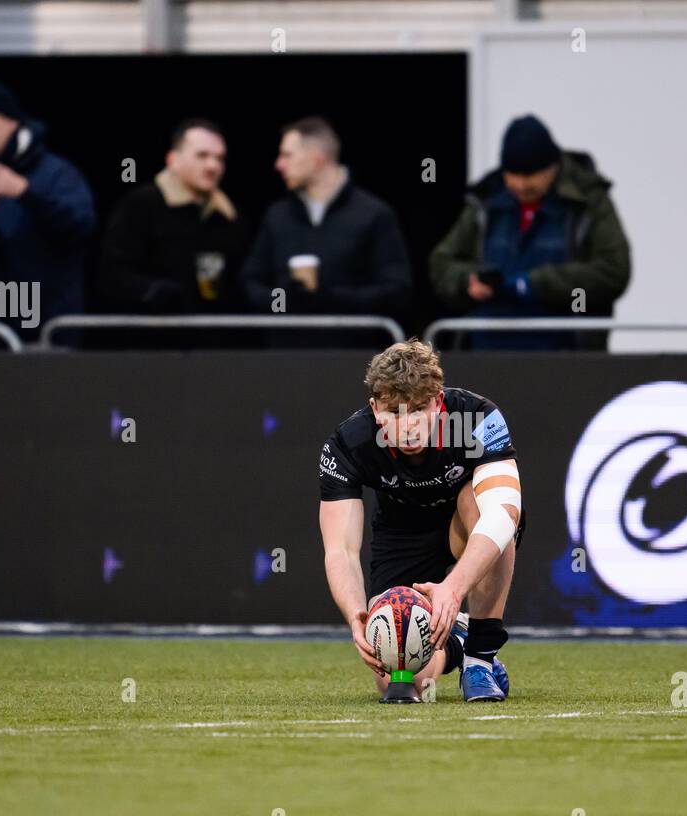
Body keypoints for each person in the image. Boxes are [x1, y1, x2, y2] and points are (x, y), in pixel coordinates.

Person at [318, 341, 522, 703]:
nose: (408, 426)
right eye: (394, 413)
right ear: (374, 409)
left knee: (481, 503)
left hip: (464, 525)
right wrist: (355, 617)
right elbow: (341, 550)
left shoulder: (476, 417)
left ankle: (480, 656)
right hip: (402, 533)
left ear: (438, 402)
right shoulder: (349, 444)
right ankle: (456, 640)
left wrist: (453, 588)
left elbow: (504, 512)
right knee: (398, 676)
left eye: (418, 410)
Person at [428, 114, 631, 349]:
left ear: (553, 167)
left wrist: (537, 283)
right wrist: (469, 280)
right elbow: (442, 263)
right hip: (486, 349)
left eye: (530, 175)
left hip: (567, 352)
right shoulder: (486, 201)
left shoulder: (588, 201)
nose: (521, 185)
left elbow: (614, 270)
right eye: (513, 175)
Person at [241, 117, 412, 340]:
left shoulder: (374, 214)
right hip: (285, 358)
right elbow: (250, 283)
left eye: (287, 155)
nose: (278, 164)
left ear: (316, 159)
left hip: (355, 359)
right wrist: (283, 300)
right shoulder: (277, 215)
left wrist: (331, 298)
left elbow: (397, 291)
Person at [0, 80, 95, 338]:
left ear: (13, 122)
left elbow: (80, 227)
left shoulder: (55, 174)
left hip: (48, 340)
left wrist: (24, 193)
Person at [98, 119, 248, 318]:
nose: (213, 166)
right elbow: (111, 273)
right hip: (149, 337)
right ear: (173, 160)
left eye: (220, 158)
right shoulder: (141, 204)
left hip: (210, 339)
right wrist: (153, 291)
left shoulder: (229, 215)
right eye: (202, 155)